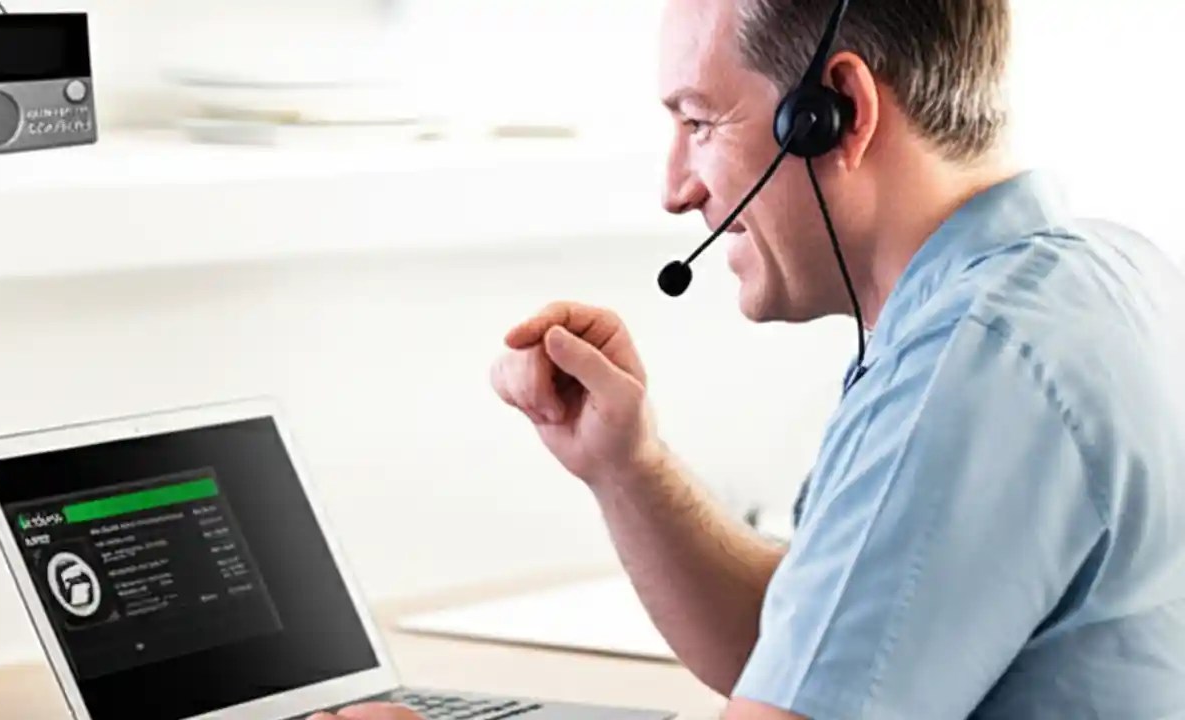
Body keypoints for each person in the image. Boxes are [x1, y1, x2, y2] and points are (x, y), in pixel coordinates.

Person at [315, 0, 1185, 718]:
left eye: (698, 122)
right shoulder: (1099, 277)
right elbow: (810, 656)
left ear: (833, 114)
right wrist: (626, 468)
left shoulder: (973, 364)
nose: (676, 187)